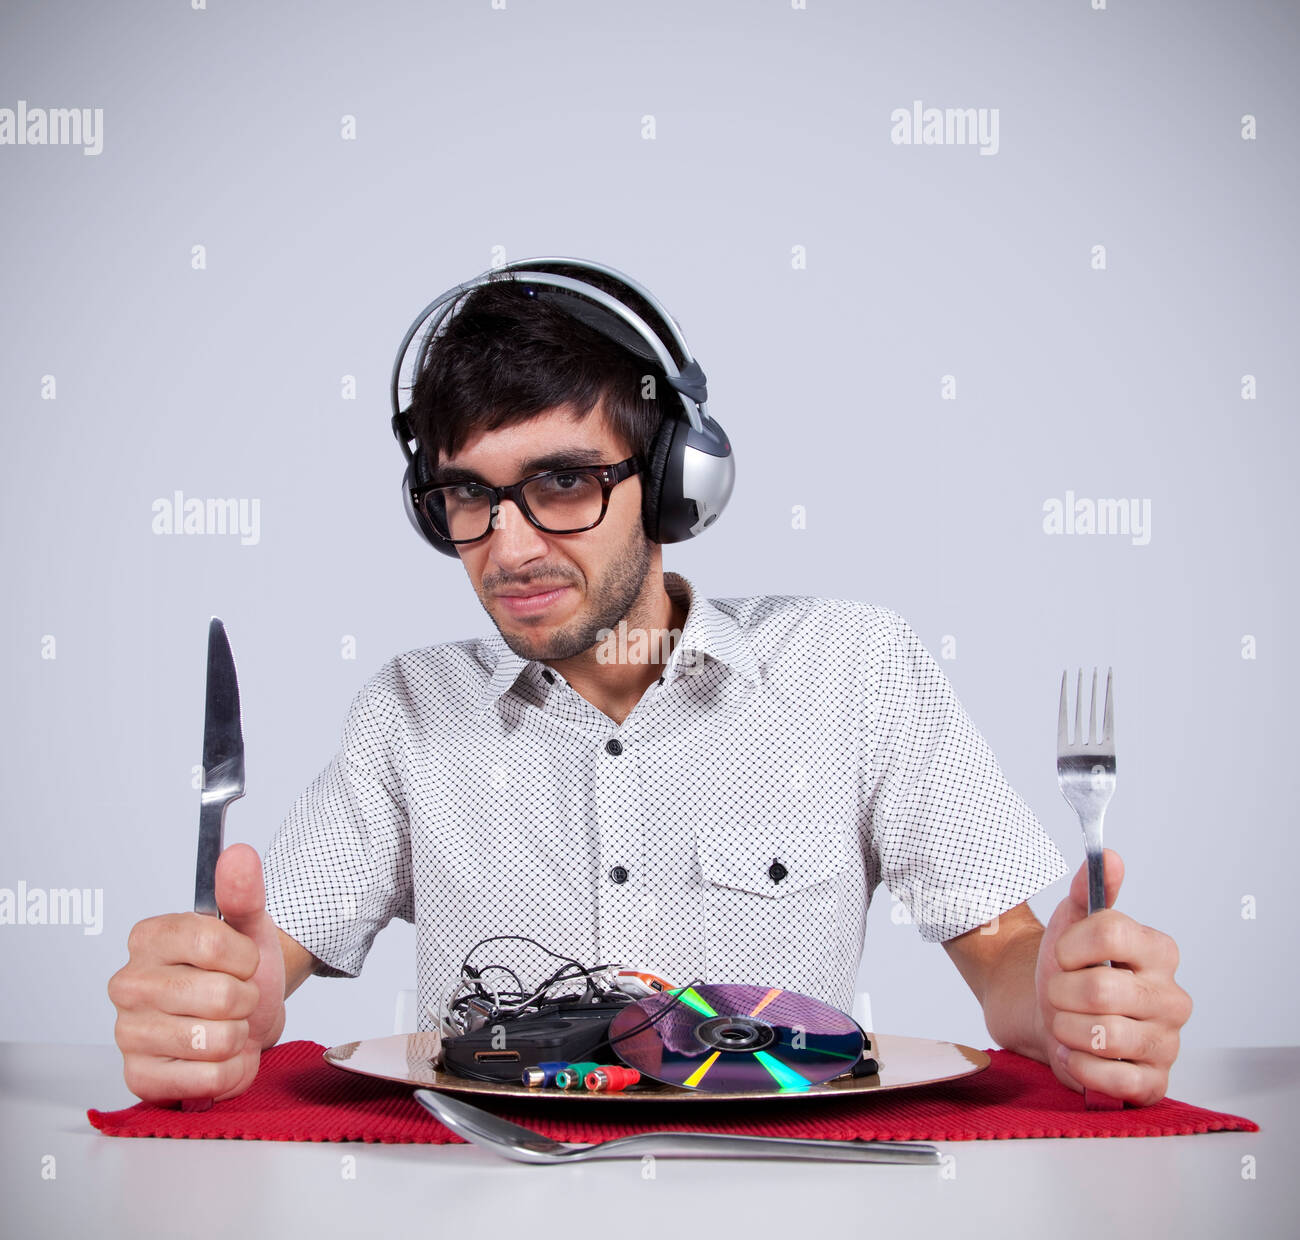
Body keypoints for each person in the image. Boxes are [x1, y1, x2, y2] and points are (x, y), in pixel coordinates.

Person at [108, 262, 1192, 1108]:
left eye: (563, 481)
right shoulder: (410, 714)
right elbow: (263, 962)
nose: (509, 544)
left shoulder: (852, 669)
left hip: (793, 1233)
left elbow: (1008, 958)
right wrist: (221, 1001)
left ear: (676, 484)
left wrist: (1063, 1001)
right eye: (465, 496)